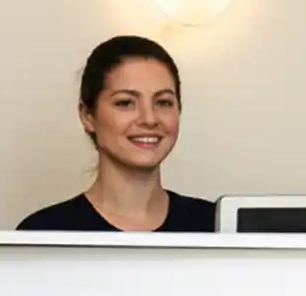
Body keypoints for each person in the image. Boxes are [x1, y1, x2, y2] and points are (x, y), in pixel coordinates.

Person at [17, 35, 216, 232]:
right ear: (87, 116)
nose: (149, 119)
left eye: (163, 102)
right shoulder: (44, 234)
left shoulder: (217, 226)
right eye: (125, 103)